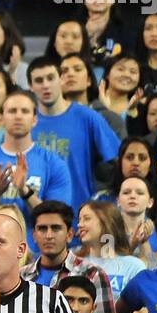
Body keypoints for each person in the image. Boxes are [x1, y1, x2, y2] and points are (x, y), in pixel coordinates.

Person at [29, 57, 121, 214]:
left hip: (80, 217)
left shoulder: (88, 117)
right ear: (30, 86)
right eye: (39, 80)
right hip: (34, 218)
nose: (45, 85)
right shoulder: (25, 121)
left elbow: (118, 160)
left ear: (61, 79)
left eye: (51, 78)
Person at [0, 90, 73, 224]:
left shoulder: (54, 164)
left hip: (36, 244)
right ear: (1, 119)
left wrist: (24, 191)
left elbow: (59, 221)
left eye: (25, 111)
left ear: (35, 119)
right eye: (12, 111)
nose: (18, 116)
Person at [22, 200, 118, 313]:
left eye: (56, 228)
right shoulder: (20, 277)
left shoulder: (93, 275)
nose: (49, 235)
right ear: (34, 236)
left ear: (70, 235)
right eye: (42, 229)